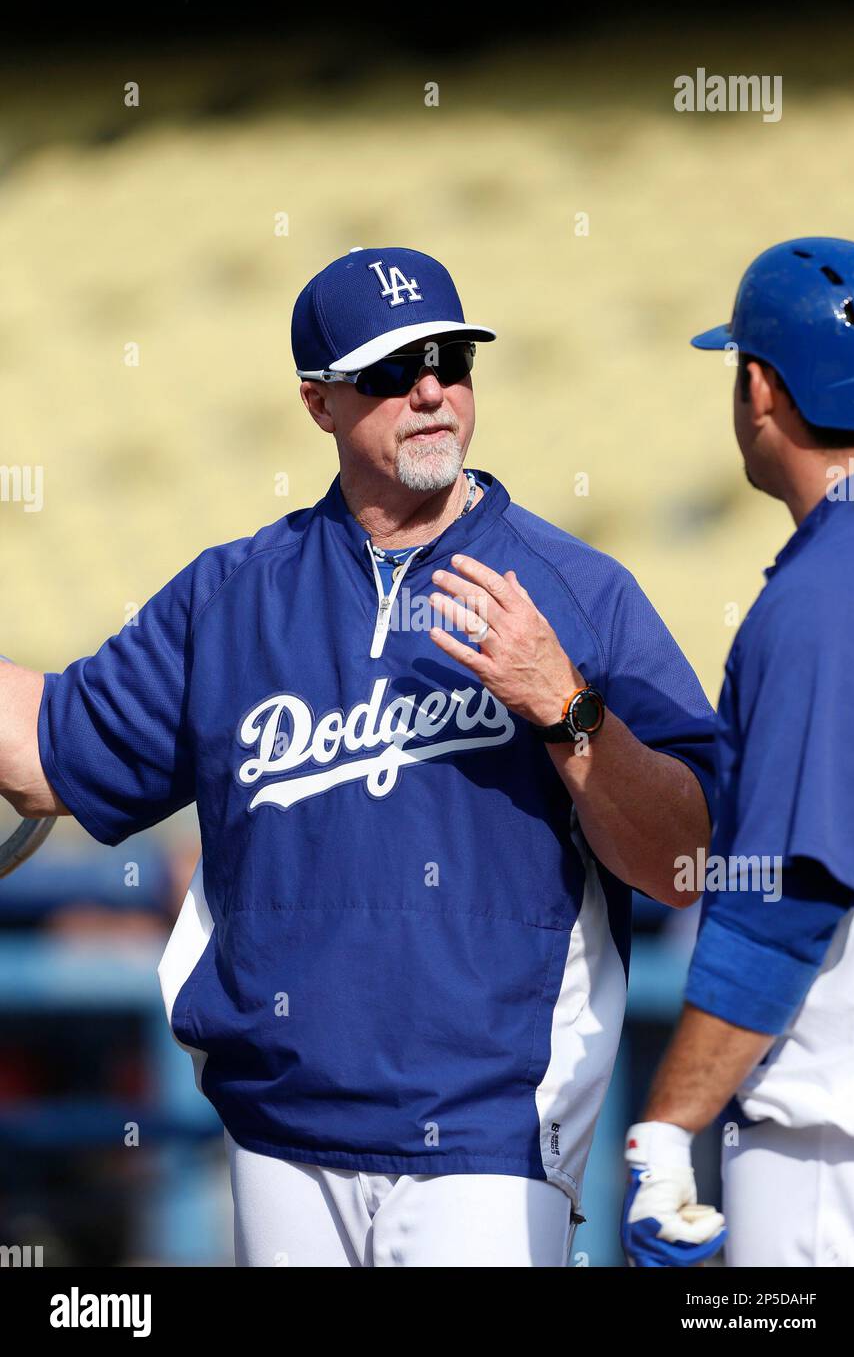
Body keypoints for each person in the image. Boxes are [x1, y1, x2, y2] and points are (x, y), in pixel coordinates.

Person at [2, 245, 715, 1267]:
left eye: (448, 360)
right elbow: (47, 750)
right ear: (318, 403)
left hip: (489, 1126)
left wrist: (564, 707)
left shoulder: (577, 590)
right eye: (389, 370)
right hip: (281, 1130)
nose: (429, 389)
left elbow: (681, 860)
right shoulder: (233, 595)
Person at [622, 236, 854, 1269]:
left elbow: (788, 899)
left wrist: (670, 1128)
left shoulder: (822, 595)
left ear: (759, 387)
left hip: (833, 1139)